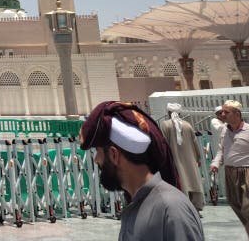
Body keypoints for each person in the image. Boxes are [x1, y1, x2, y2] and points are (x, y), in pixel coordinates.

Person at [80, 100, 203, 241]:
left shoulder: (171, 210)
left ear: (114, 155)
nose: (96, 159)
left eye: (98, 151)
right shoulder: (137, 204)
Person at [210, 99, 249, 233]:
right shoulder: (224, 131)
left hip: (246, 173)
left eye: (226, 112)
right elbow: (221, 149)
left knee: (247, 208)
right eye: (222, 112)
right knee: (235, 204)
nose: (222, 114)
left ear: (237, 114)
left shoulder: (248, 130)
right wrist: (215, 163)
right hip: (229, 173)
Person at [160, 102, 204, 211]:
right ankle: (196, 205)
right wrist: (198, 158)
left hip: (175, 159)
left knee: (181, 181)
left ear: (169, 113)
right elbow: (195, 144)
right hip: (190, 159)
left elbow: (163, 143)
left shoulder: (165, 125)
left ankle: (183, 205)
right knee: (192, 180)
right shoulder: (187, 125)